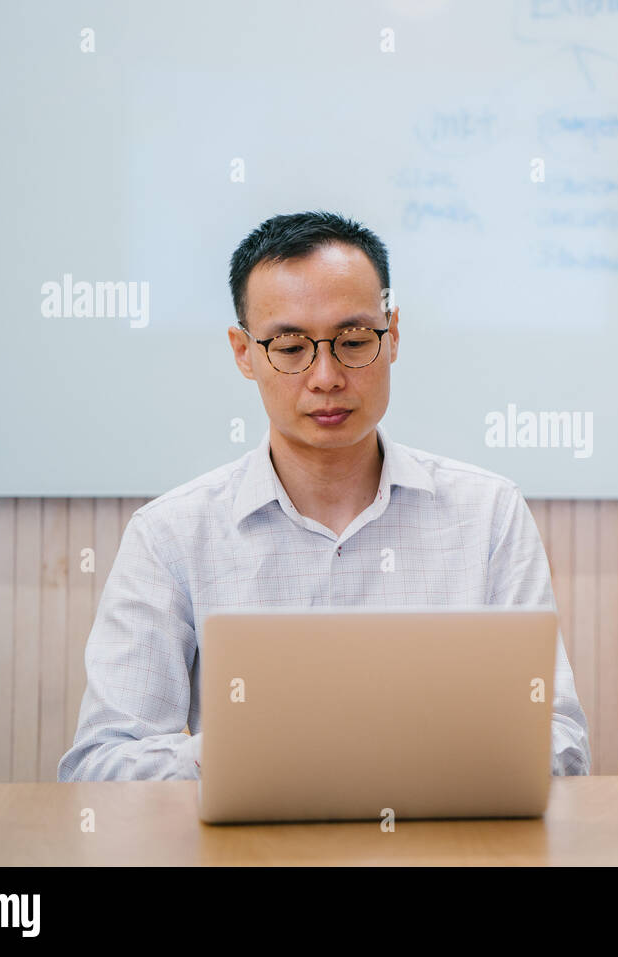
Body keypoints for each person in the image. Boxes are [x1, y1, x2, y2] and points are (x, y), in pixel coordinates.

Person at [58, 211, 591, 781]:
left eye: (354, 341)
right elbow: (100, 764)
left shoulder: (488, 514)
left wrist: (425, 748)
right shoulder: (171, 533)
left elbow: (560, 745)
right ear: (244, 352)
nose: (327, 377)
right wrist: (254, 750)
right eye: (290, 349)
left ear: (393, 337)